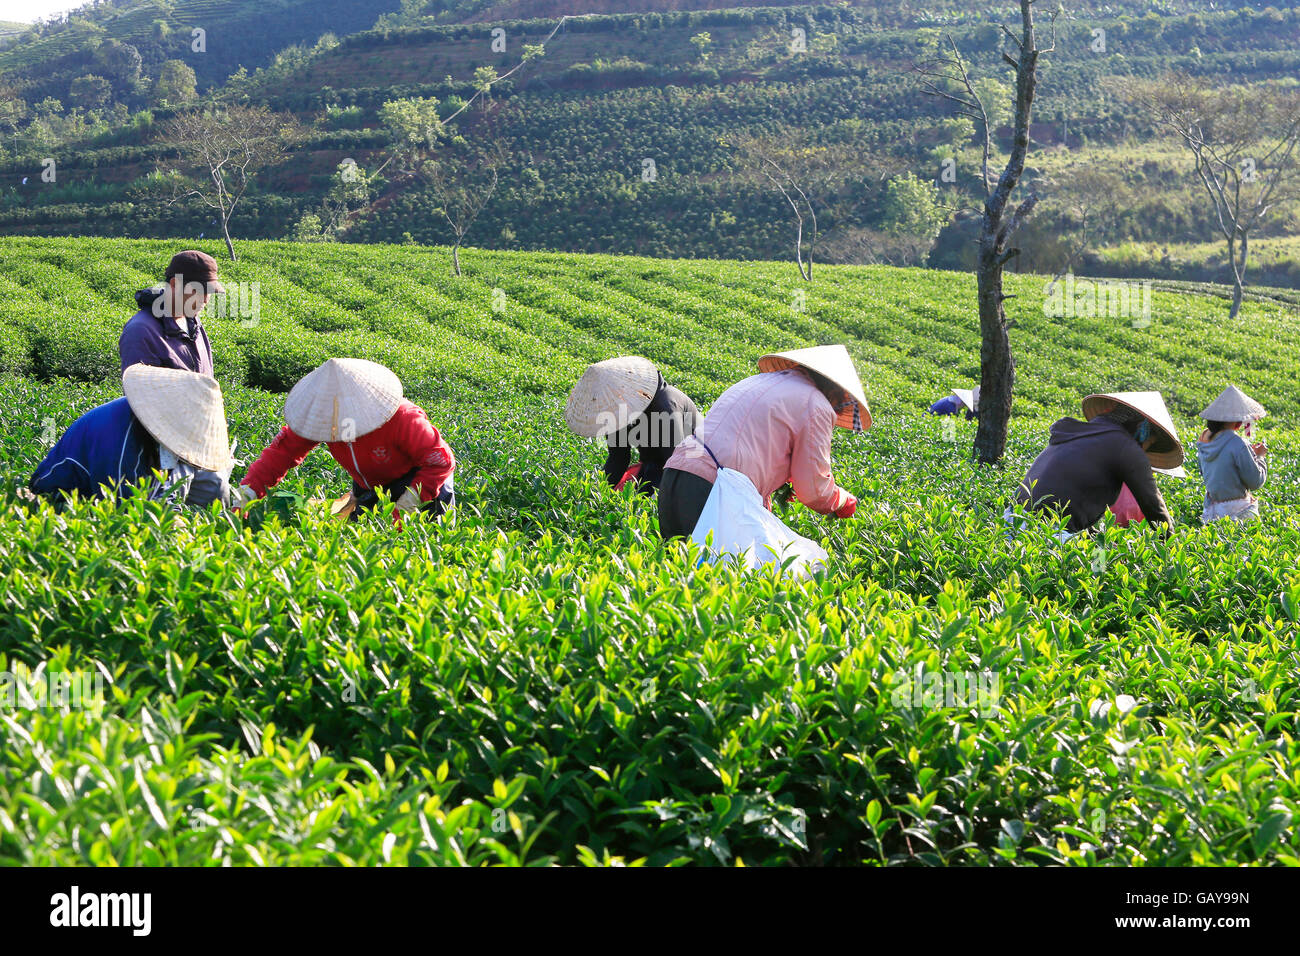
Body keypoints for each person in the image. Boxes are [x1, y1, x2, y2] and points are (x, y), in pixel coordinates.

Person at [658, 344, 868, 539]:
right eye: (845, 400)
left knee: (673, 569)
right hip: (714, 491)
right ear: (836, 390)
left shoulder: (759, 381)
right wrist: (842, 500)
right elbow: (814, 490)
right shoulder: (816, 404)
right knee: (718, 575)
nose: (842, 405)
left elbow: (748, 444)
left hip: (675, 476)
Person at [233, 358, 455, 522]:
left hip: (421, 484)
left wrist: (407, 504)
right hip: (369, 487)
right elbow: (282, 453)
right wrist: (247, 493)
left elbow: (440, 461)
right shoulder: (321, 415)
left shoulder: (403, 418)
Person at [29, 364, 231, 510]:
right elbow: (122, 514)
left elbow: (163, 485)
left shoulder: (153, 430)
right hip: (62, 502)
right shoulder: (121, 441)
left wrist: (171, 513)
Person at [120, 249, 228, 505]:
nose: (205, 300)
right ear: (174, 285)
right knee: (167, 514)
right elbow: (141, 400)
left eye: (209, 293)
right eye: (199, 291)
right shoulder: (142, 331)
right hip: (160, 451)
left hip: (198, 443)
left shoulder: (194, 326)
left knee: (216, 498)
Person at [1014, 391, 1182, 536]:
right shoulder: (1125, 447)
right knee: (1100, 567)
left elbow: (1073, 495)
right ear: (1141, 430)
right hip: (1052, 535)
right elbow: (1154, 507)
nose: (1145, 450)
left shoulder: (1078, 434)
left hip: (1011, 521)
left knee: (1102, 549)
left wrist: (1093, 535)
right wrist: (1169, 551)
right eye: (1149, 443)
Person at [564, 356, 700, 496]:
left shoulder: (666, 406)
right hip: (653, 464)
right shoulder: (617, 410)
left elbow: (676, 466)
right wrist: (594, 493)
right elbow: (618, 459)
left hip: (692, 468)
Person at [1195, 384, 1268, 523]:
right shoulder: (1238, 443)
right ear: (1238, 422)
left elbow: (1214, 470)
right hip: (1238, 512)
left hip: (1211, 511)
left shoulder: (1203, 439)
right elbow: (1255, 482)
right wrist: (1259, 456)